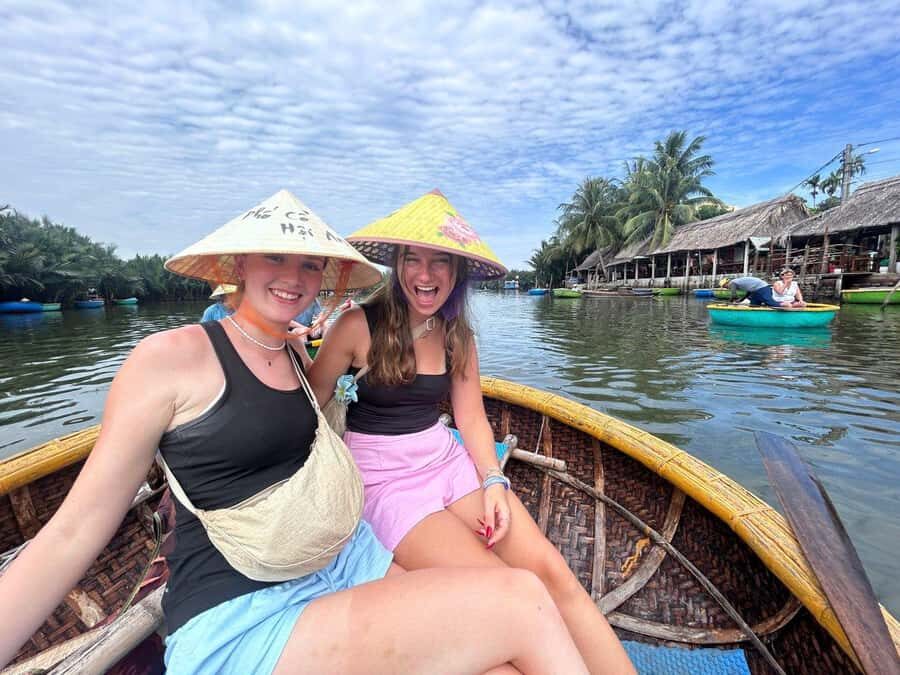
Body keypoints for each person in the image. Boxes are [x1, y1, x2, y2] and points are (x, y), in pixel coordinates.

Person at [0, 189, 589, 675]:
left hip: (340, 561)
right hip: (240, 609)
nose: (293, 277)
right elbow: (73, 534)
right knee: (523, 601)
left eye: (310, 264)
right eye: (274, 259)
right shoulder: (169, 359)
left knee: (501, 661)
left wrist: (482, 473)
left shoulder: (295, 358)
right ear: (238, 266)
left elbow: (350, 419)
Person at [305, 189, 635, 675]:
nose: (424, 274)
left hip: (446, 462)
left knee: (552, 574)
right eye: (412, 259)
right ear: (397, 265)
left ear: (458, 271)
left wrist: (493, 481)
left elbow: (472, 418)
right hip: (385, 483)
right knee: (510, 595)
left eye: (440, 261)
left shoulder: (457, 332)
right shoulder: (357, 325)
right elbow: (311, 404)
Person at [719, 275, 792, 308]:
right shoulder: (737, 282)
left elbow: (733, 295)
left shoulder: (732, 283)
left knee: (771, 303)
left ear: (726, 284)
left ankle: (786, 304)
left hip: (763, 288)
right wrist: (740, 300)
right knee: (754, 305)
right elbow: (748, 292)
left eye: (725, 287)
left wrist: (730, 302)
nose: (726, 288)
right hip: (755, 291)